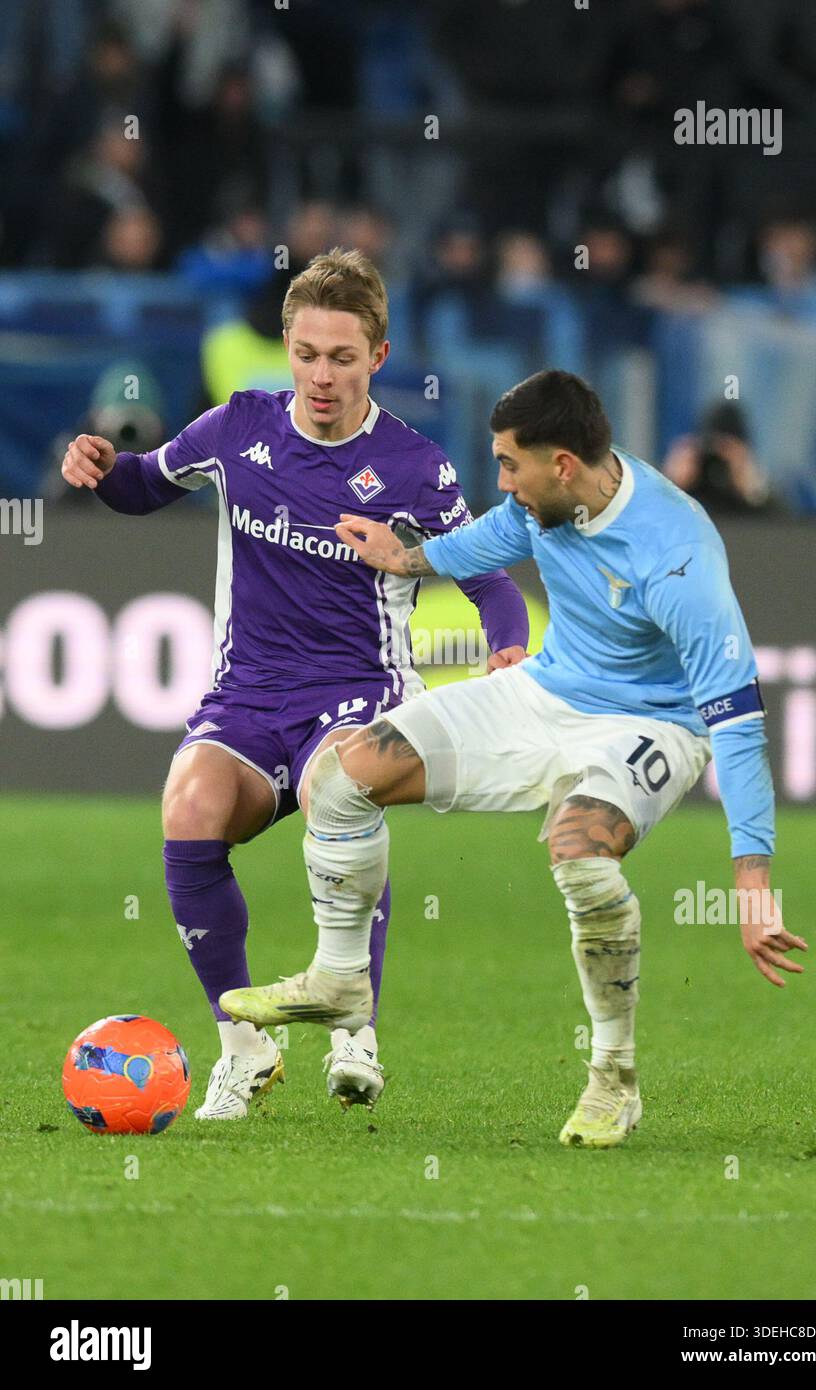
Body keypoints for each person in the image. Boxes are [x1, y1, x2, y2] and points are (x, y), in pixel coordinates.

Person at [221, 368, 807, 1149]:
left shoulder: (678, 557)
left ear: (561, 464)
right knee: (343, 775)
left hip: (655, 724)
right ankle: (338, 978)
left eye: (509, 465)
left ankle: (614, 1076)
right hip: (545, 691)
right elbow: (489, 537)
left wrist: (752, 880)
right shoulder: (548, 504)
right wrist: (406, 559)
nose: (502, 482)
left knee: (580, 852)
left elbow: (735, 721)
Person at [60, 248, 528, 1119]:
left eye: (342, 358)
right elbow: (141, 486)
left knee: (335, 790)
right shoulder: (238, 426)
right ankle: (244, 1048)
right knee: (189, 808)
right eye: (307, 354)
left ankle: (355, 1026)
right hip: (248, 694)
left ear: (378, 357)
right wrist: (98, 469)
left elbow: (493, 581)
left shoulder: (415, 466)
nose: (321, 375)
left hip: (362, 692)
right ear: (287, 346)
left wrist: (506, 646)